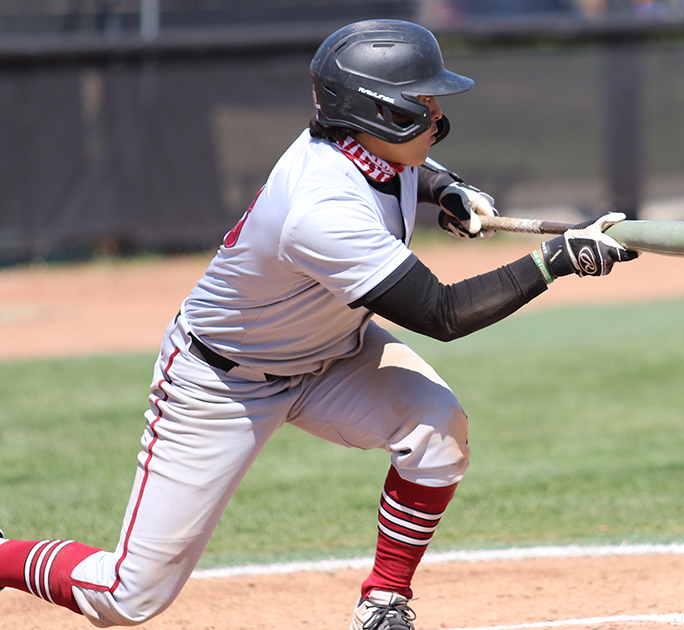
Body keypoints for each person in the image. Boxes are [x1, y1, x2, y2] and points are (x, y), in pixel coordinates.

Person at [0, 19, 637, 630]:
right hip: (224, 383)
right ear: (378, 112)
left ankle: (384, 601)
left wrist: (448, 189)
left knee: (440, 431)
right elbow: (441, 315)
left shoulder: (370, 146)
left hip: (334, 352)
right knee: (127, 597)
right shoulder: (320, 207)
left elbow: (408, 171)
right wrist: (553, 264)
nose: (438, 115)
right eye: (423, 101)